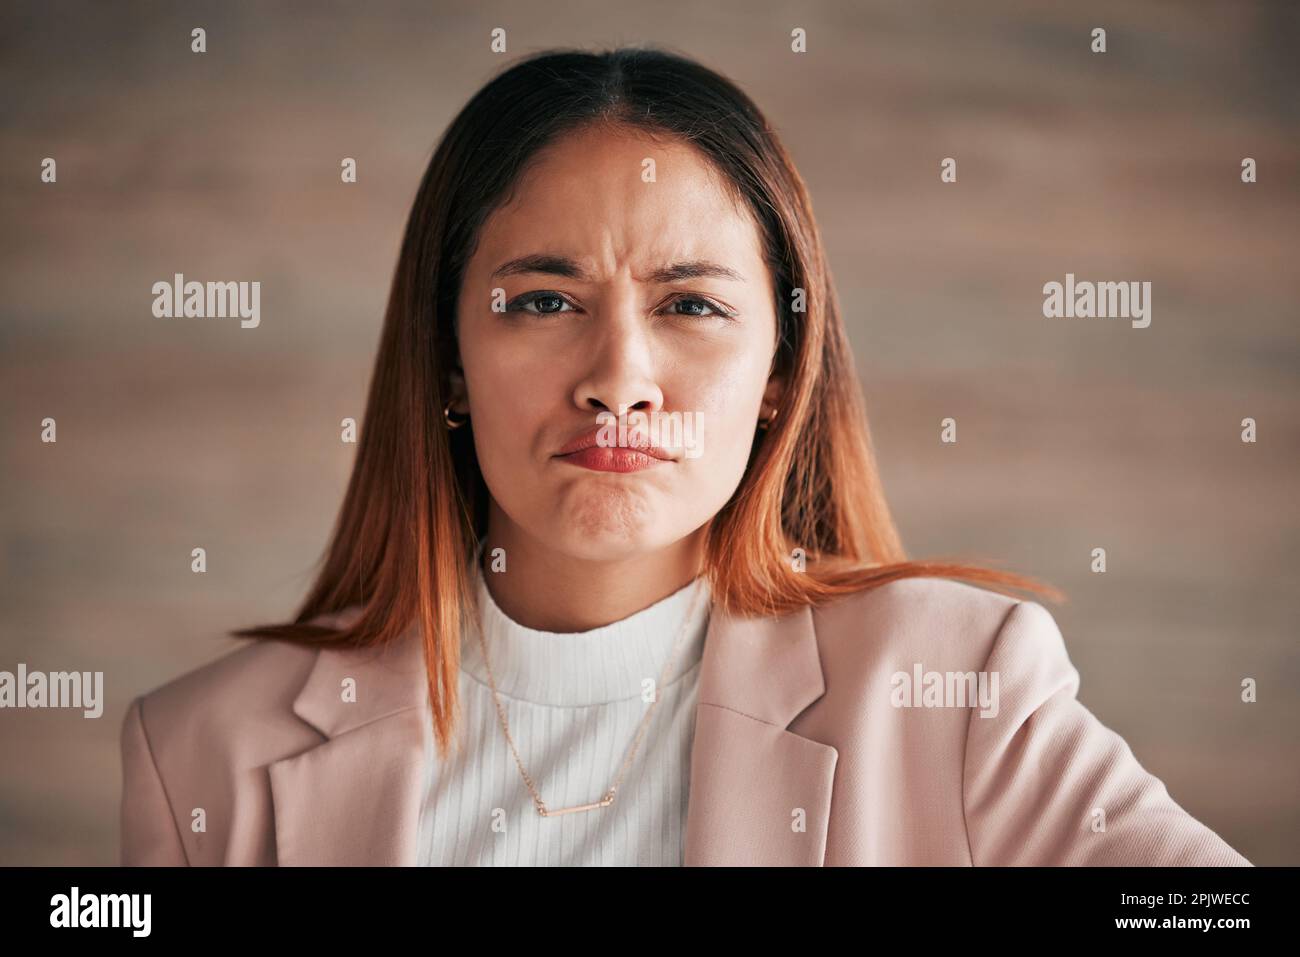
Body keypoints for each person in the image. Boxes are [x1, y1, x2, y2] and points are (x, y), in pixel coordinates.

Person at [120, 47, 1249, 866]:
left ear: (777, 373)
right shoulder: (202, 758)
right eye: (544, 299)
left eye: (690, 306)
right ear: (448, 357)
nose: (617, 376)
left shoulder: (957, 685)